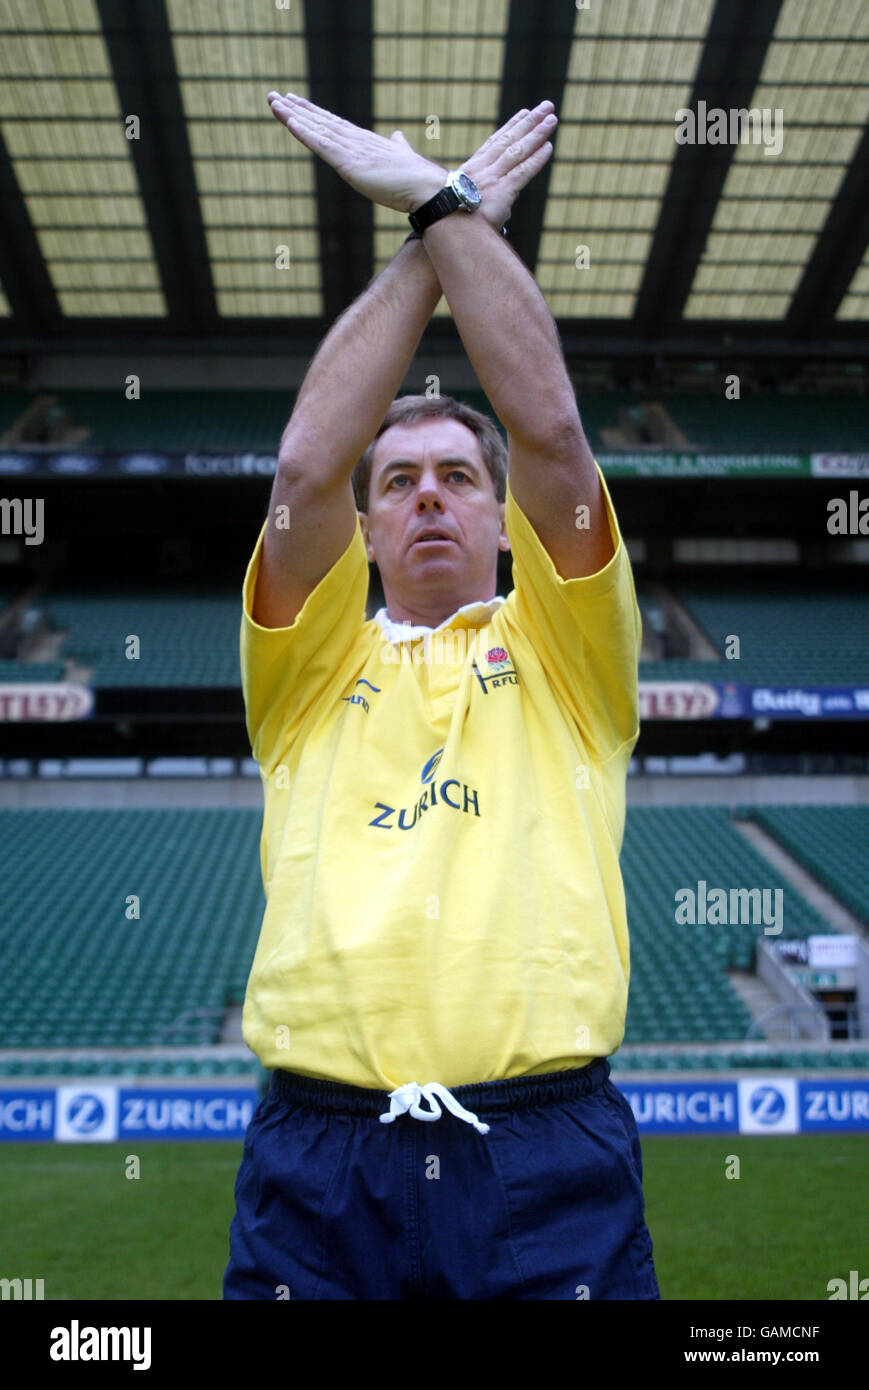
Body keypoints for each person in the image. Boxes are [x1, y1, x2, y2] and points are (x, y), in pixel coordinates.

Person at [223, 93, 659, 1301]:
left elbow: (555, 432)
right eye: (400, 479)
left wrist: (429, 198)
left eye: (458, 477)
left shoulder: (566, 652)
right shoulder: (310, 671)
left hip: (540, 1154)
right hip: (318, 1160)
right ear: (364, 530)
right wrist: (442, 216)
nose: (427, 495)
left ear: (500, 517)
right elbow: (306, 464)